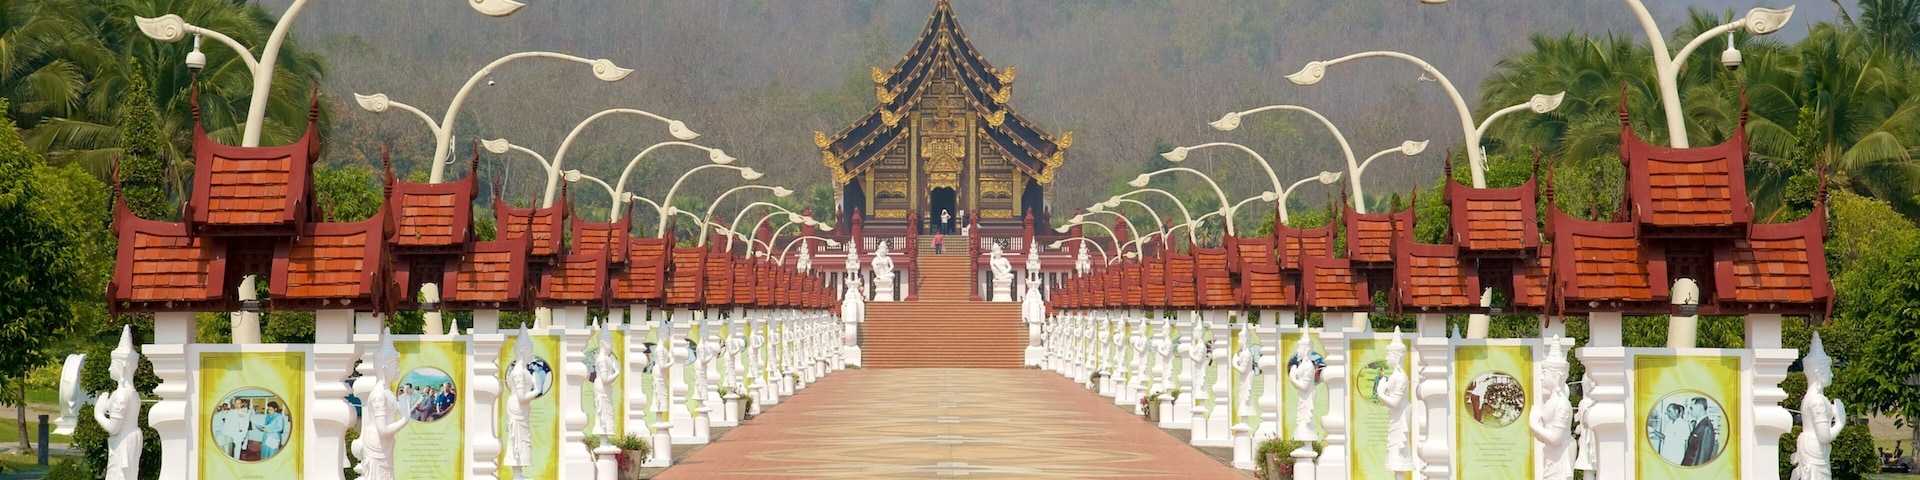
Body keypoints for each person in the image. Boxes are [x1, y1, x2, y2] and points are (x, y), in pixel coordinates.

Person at [1682, 397, 1719, 466]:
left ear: (1700, 408)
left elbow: (1703, 456)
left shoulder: (1707, 427)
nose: (1689, 411)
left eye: (1691, 408)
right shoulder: (1699, 424)